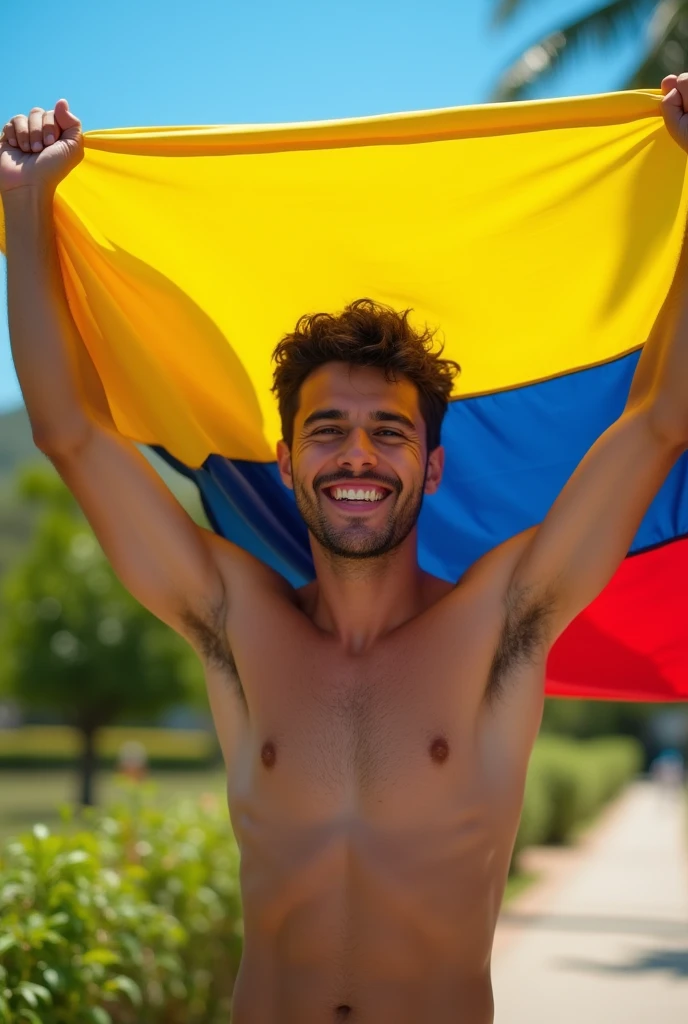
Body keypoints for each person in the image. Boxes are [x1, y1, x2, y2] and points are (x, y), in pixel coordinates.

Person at [2, 77, 688, 1024]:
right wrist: (28, 199)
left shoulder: (502, 622)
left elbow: (657, 423)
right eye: (327, 430)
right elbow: (71, 432)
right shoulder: (234, 619)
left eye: (389, 433)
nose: (357, 455)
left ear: (433, 466)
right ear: (284, 462)